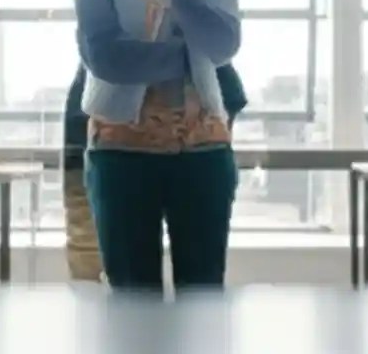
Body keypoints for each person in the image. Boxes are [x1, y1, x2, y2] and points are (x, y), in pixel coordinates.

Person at [72, 0, 241, 292]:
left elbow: (225, 45)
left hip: (203, 144)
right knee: (130, 299)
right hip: (120, 146)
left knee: (203, 298)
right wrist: (191, 55)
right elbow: (105, 56)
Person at [62, 62, 247, 283]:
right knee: (186, 293)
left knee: (151, 295)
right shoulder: (105, 59)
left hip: (183, 156)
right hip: (130, 157)